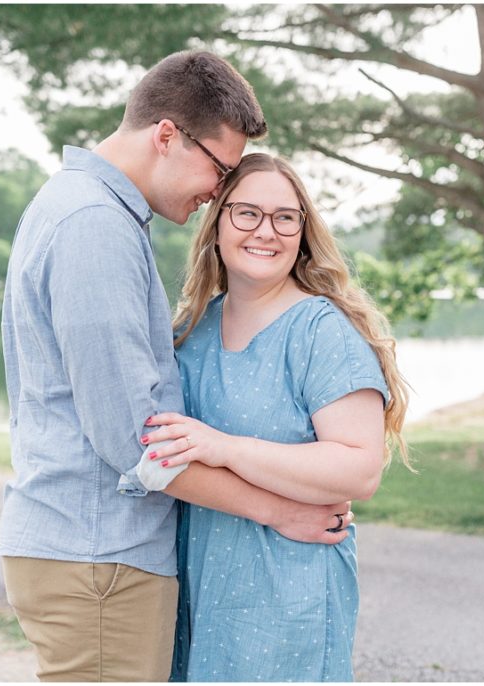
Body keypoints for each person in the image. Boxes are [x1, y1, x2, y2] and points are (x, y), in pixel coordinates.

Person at [0, 51, 354, 683]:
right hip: (100, 554)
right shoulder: (95, 225)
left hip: (94, 556)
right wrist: (277, 510)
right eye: (220, 168)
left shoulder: (86, 209)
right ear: (167, 135)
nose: (219, 191)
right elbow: (134, 438)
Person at [138, 153, 411, 682]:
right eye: (247, 213)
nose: (266, 231)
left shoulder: (321, 331)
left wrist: (227, 448)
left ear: (302, 232)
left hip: (288, 590)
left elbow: (359, 470)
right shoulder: (191, 330)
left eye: (285, 217)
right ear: (217, 223)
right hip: (195, 582)